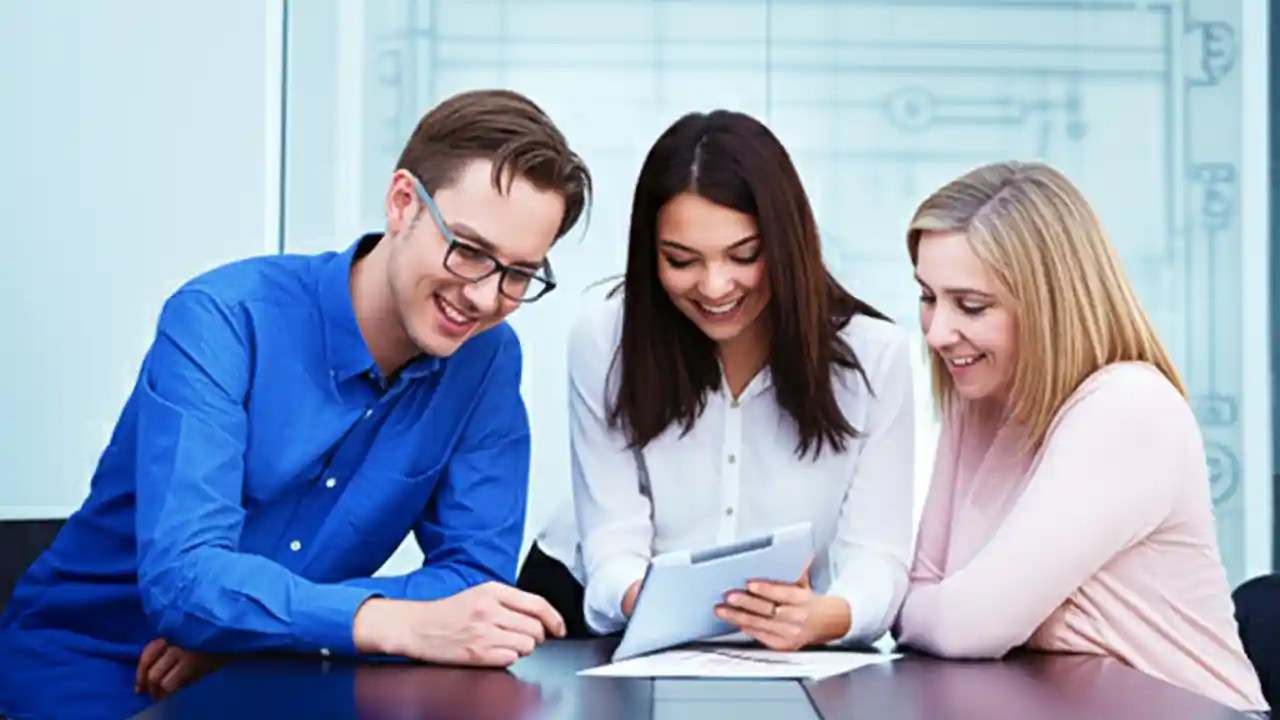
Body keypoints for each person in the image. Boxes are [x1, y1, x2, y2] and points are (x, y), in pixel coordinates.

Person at [0, 89, 591, 720]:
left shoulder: (487, 359)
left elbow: (476, 582)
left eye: (519, 273)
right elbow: (184, 580)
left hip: (278, 677)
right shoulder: (224, 319)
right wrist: (379, 623)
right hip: (98, 672)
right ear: (402, 204)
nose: (483, 296)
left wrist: (266, 633)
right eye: (468, 251)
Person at [520, 109, 915, 649]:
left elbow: (877, 553)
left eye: (745, 255)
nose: (714, 286)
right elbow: (611, 539)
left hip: (786, 639)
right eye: (681, 260)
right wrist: (651, 601)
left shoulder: (874, 358)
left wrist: (830, 616)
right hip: (597, 611)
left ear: (786, 242)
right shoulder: (604, 339)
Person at [893, 160, 1267, 713]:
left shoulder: (1128, 409)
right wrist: (968, 611)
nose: (937, 332)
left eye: (970, 305)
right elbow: (927, 590)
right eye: (928, 297)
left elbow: (968, 626)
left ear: (1048, 303)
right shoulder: (979, 398)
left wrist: (980, 612)